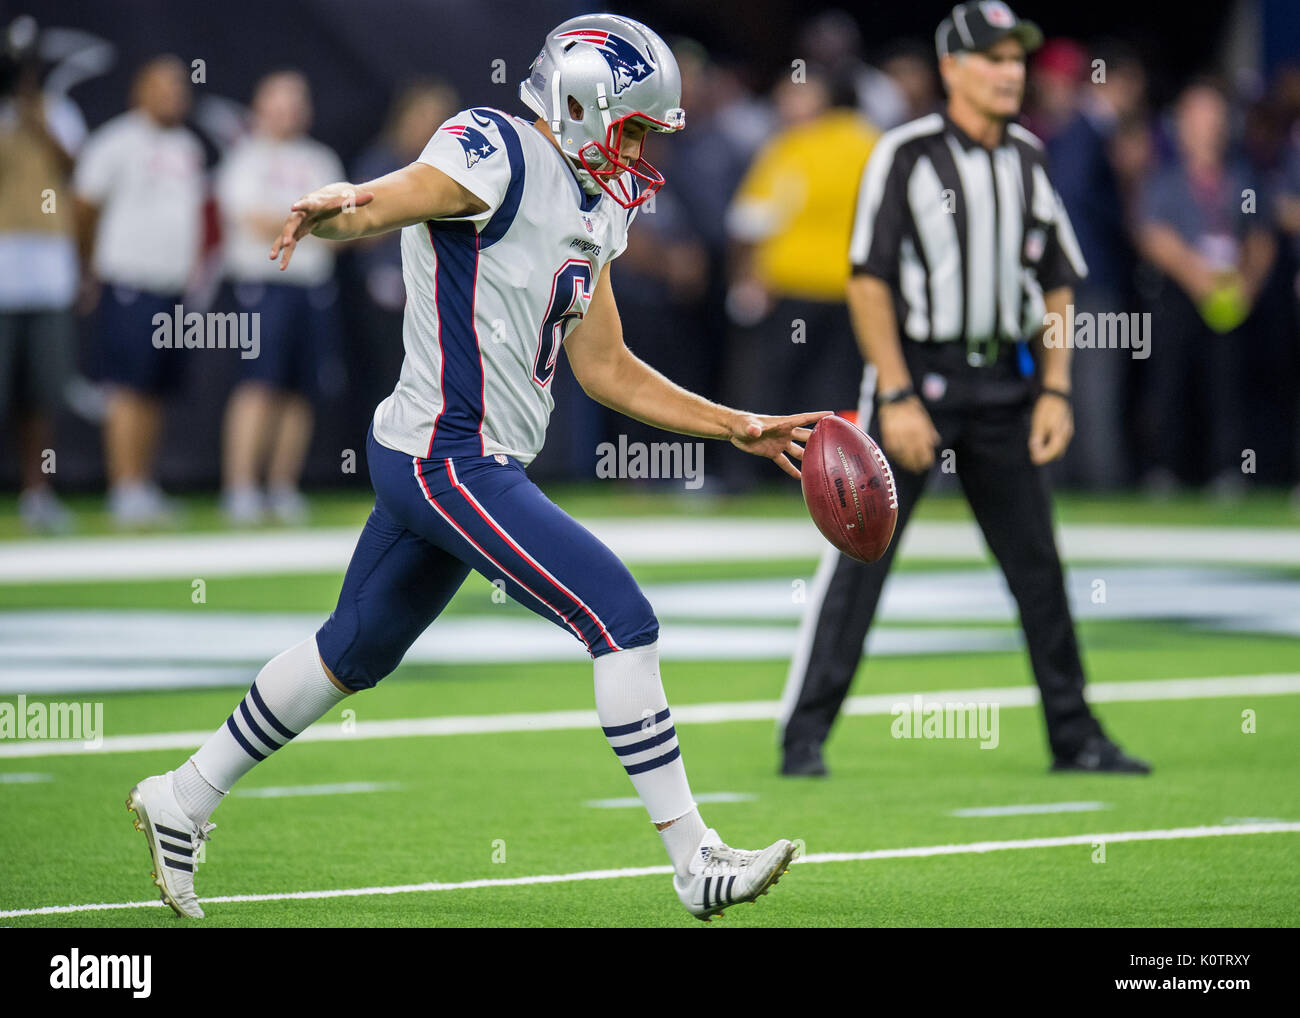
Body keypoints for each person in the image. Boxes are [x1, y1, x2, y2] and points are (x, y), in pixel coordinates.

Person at [126, 14, 822, 922]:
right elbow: (397, 197)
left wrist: (737, 425)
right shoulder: (493, 144)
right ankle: (694, 859)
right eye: (639, 128)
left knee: (356, 648)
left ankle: (183, 795)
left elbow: (604, 367)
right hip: (449, 458)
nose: (646, 152)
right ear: (582, 104)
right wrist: (344, 204)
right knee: (623, 619)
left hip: (447, 461)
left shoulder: (596, 201)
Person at [777, 1, 1150, 779]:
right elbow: (868, 281)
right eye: (994, 58)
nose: (1011, 73)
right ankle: (804, 735)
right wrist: (903, 398)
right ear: (953, 68)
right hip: (919, 374)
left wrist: (1055, 390)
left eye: (1018, 60)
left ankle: (1074, 734)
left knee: (1037, 564)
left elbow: (1057, 285)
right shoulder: (906, 154)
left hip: (1002, 384)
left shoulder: (1027, 155)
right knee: (861, 555)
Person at [74, 55, 205, 527]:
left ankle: (143, 483)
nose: (174, 94)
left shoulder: (189, 146)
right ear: (140, 90)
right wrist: (87, 268)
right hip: (128, 282)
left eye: (179, 87)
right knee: (127, 386)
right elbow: (83, 207)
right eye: (163, 86)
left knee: (154, 387)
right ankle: (123, 486)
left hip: (171, 289)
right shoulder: (116, 141)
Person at [217, 70, 347, 525]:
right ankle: (240, 488)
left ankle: (281, 486)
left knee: (299, 392)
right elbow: (250, 220)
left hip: (312, 288)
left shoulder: (320, 159)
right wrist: (312, 222)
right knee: (258, 385)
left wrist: (305, 223)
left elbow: (345, 221)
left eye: (295, 102)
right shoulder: (245, 157)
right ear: (260, 107)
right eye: (278, 102)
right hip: (262, 286)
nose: (287, 111)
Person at [0, 15, 85, 532]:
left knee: (40, 393)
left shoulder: (58, 113)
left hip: (48, 273)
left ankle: (37, 492)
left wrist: (35, 117)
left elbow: (73, 165)